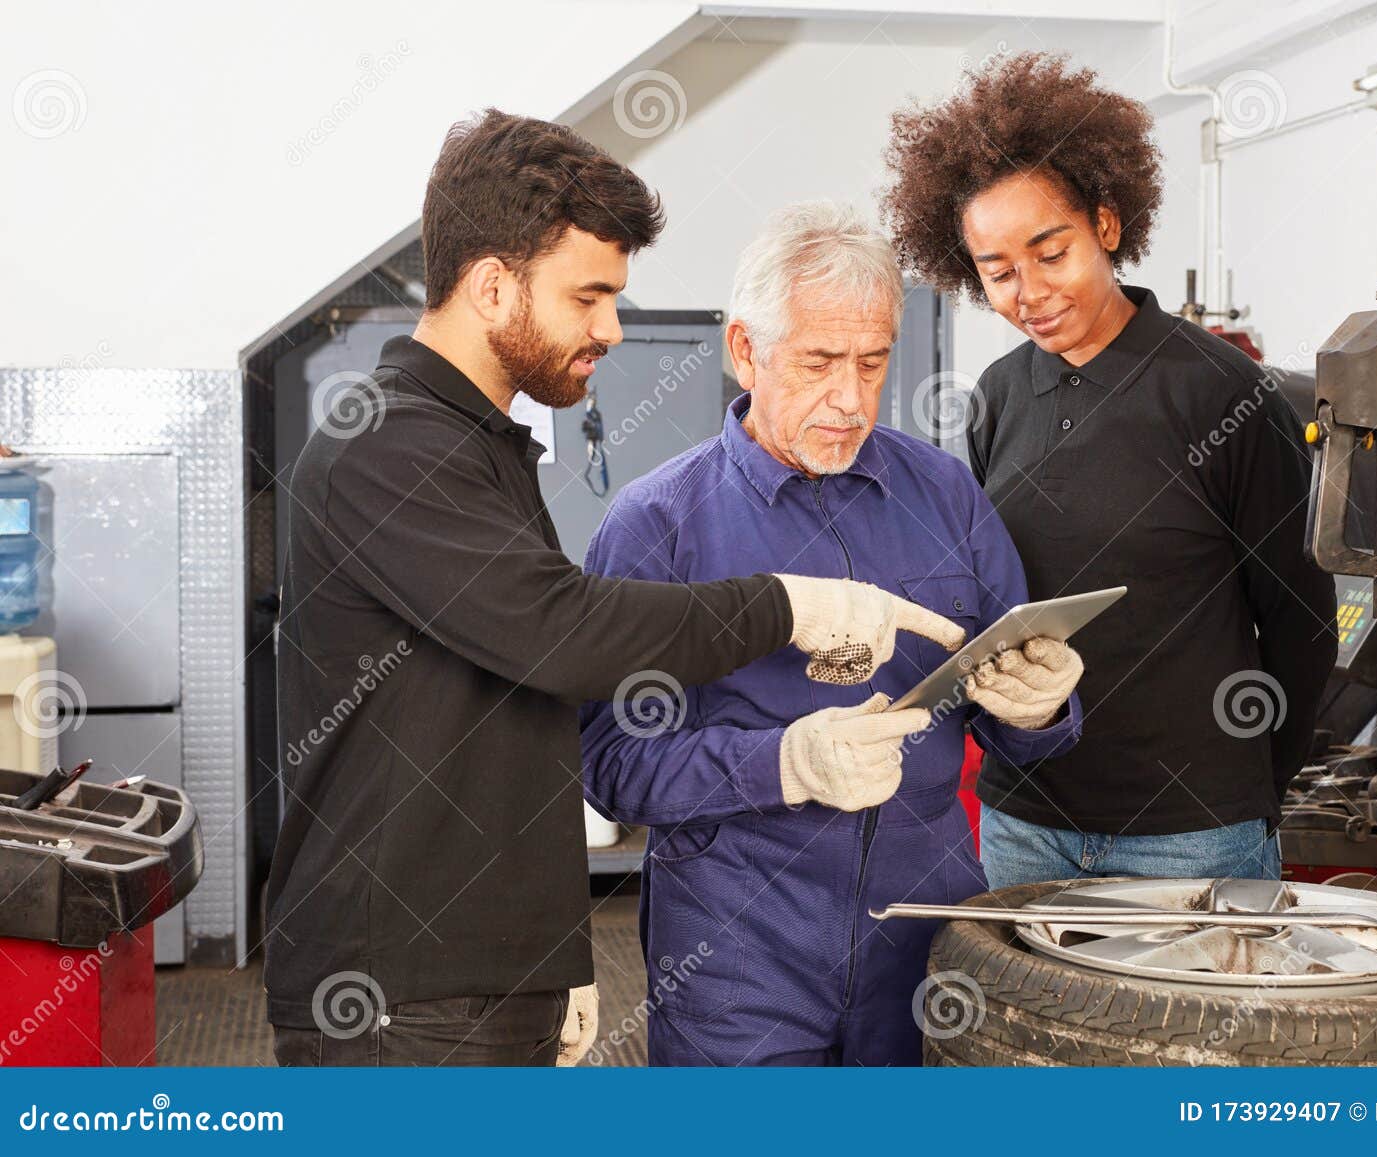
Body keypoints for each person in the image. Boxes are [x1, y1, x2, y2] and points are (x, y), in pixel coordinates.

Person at [265, 113, 964, 1068]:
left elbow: (523, 725)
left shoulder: (483, 447)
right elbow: (563, 634)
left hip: (483, 973)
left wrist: (558, 957)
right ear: (492, 284)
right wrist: (792, 607)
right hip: (399, 990)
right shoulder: (386, 444)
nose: (610, 328)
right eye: (588, 295)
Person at [580, 202, 1083, 1066]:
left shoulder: (946, 497)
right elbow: (614, 766)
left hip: (926, 933)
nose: (850, 399)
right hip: (737, 951)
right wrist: (786, 762)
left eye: (873, 361)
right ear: (745, 349)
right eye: (818, 362)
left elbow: (1013, 717)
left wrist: (1041, 709)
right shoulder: (657, 524)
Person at [881, 53, 1337, 887]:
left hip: (1192, 832)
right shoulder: (995, 396)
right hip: (1026, 819)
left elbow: (1303, 620)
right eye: (999, 271)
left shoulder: (1222, 393)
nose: (1029, 291)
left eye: (1050, 252)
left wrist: (1253, 794)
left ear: (1108, 226)